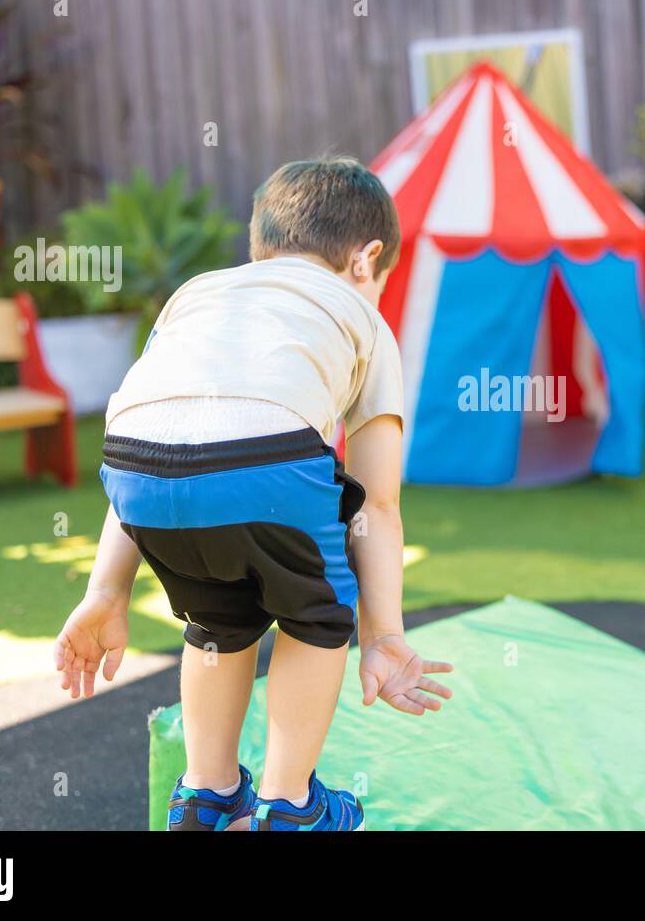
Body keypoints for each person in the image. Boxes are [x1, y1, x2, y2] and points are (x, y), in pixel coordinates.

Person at [52, 157, 453, 831]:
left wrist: (105, 590)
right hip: (263, 461)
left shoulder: (197, 294)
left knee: (219, 616)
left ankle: (207, 791)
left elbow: (162, 433)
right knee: (317, 610)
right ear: (368, 258)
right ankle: (290, 802)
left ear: (261, 248)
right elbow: (379, 503)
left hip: (134, 469)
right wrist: (380, 632)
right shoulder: (360, 312)